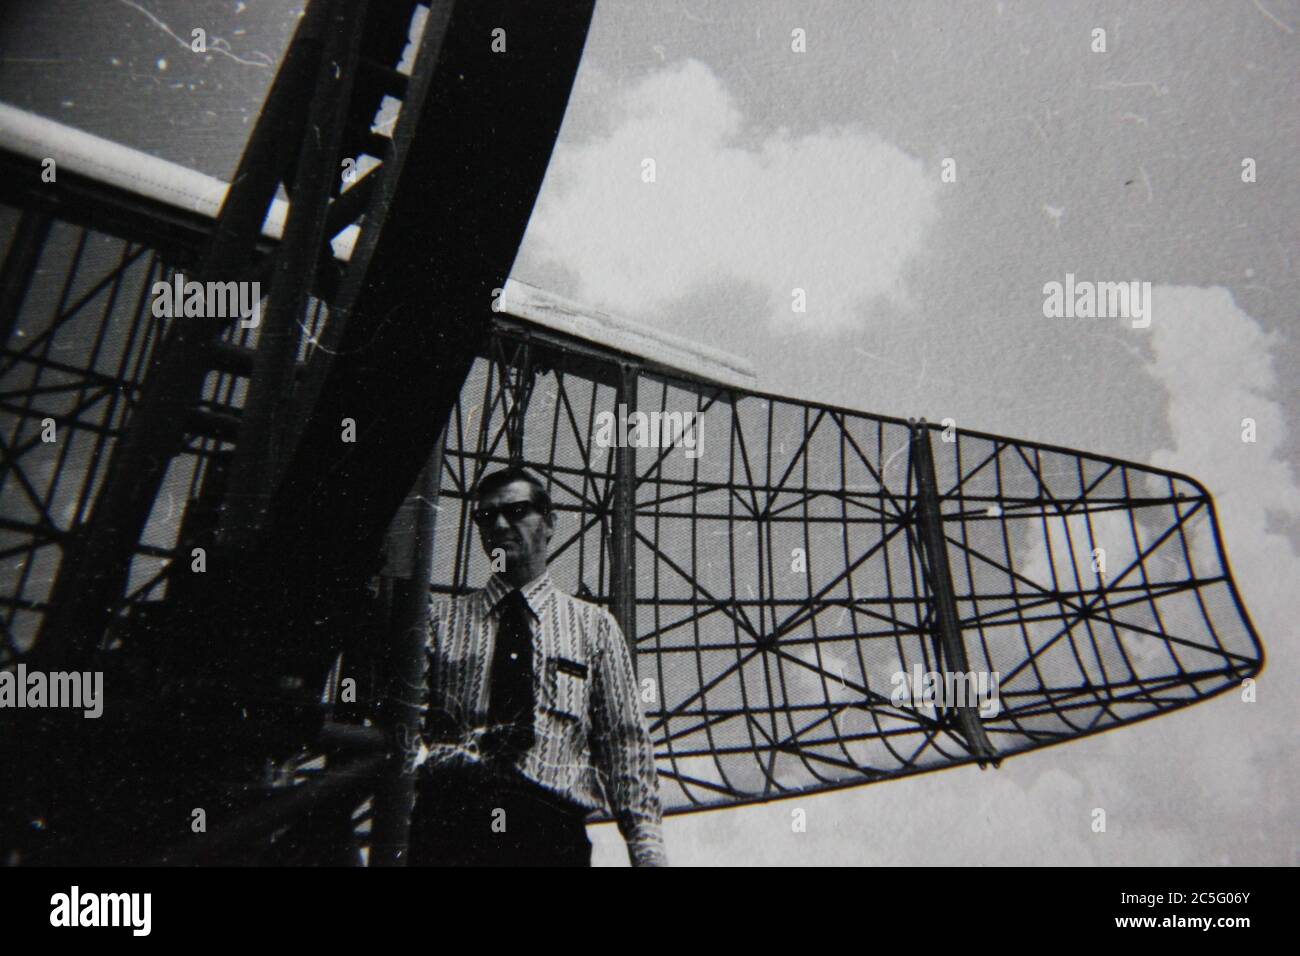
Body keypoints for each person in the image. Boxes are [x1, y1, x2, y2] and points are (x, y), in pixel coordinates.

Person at [408, 465, 667, 867]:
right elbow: (406, 733)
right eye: (486, 516)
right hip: (450, 824)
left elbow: (625, 745)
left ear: (550, 524)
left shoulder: (594, 628)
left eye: (516, 511)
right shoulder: (439, 622)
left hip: (548, 833)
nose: (498, 524)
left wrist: (647, 852)